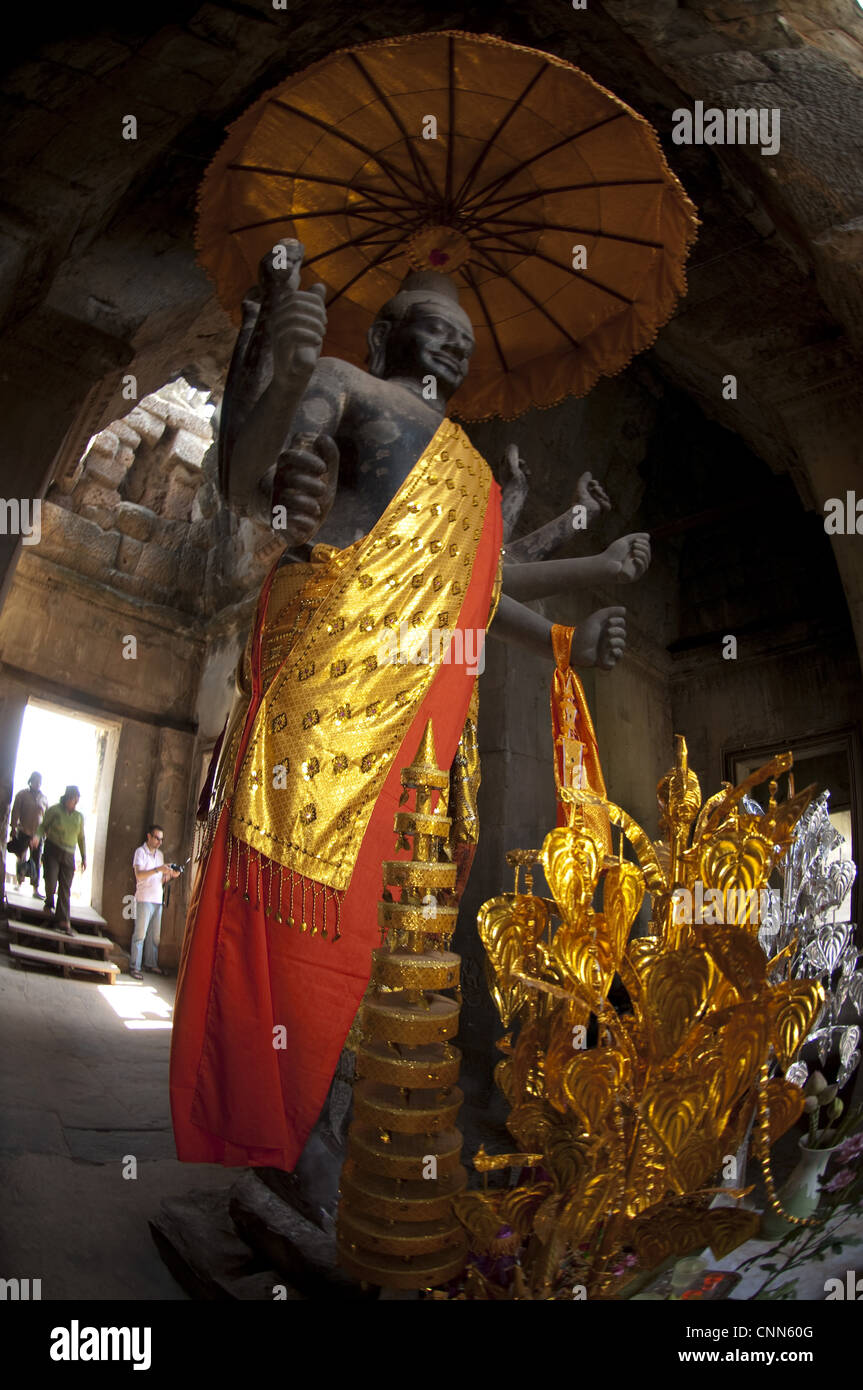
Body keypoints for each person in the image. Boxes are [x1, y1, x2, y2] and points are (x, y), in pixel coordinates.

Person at [170, 250, 650, 1191]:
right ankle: (289, 1137)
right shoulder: (348, 387)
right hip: (331, 695)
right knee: (304, 915)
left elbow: (474, 588)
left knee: (404, 922)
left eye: (467, 341)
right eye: (437, 331)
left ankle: (358, 1129)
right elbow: (254, 484)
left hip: (427, 719)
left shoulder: (470, 471)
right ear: (388, 335)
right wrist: (285, 365)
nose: (456, 349)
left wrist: (568, 631)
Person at [130, 824, 179, 980]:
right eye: (157, 838)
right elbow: (139, 875)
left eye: (161, 839)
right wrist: (158, 869)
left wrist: (171, 875)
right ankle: (134, 966)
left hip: (157, 899)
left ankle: (150, 964)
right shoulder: (140, 852)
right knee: (140, 935)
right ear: (149, 837)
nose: (159, 842)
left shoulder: (160, 855)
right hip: (144, 898)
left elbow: (161, 880)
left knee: (154, 937)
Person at [41, 785, 86, 936]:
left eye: (77, 800)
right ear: (67, 798)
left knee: (65, 887)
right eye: (73, 799)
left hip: (69, 854)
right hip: (53, 849)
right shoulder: (54, 810)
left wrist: (84, 856)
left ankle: (63, 920)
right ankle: (49, 900)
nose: (75, 802)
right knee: (52, 880)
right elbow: (42, 826)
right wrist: (36, 836)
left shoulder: (79, 817)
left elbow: (81, 838)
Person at [9, 771, 48, 897]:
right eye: (35, 781)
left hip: (37, 835)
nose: (37, 783)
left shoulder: (43, 798)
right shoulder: (22, 795)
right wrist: (13, 827)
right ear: (30, 781)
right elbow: (15, 812)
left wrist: (45, 833)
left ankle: (35, 888)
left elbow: (46, 817)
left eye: (39, 781)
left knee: (36, 860)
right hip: (24, 831)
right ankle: (19, 882)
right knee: (21, 857)